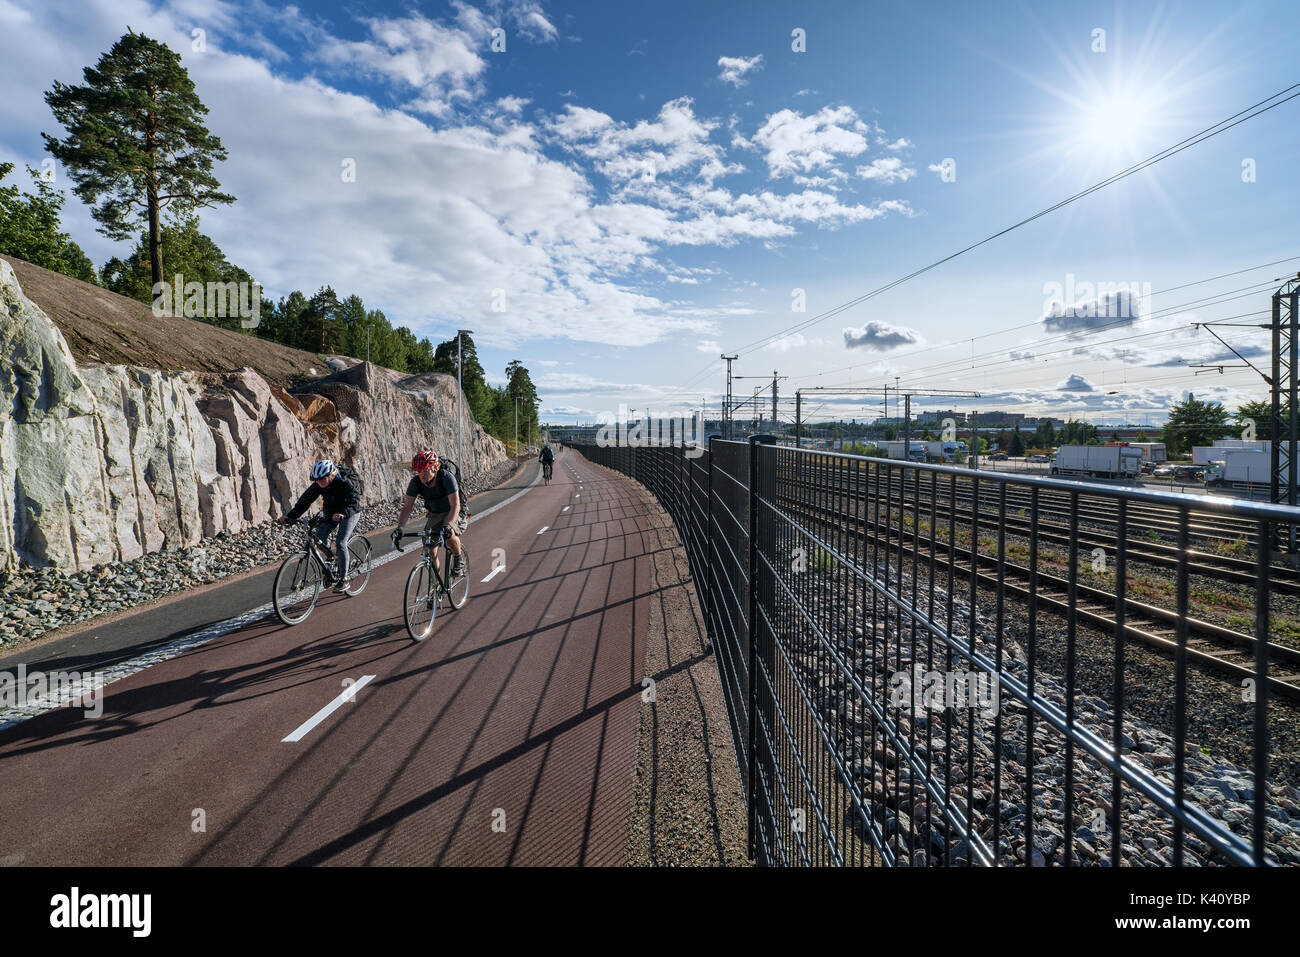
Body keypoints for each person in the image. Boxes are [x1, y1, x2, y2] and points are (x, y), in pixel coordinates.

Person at [278, 459, 363, 592]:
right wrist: (290, 517)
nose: (319, 483)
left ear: (331, 476)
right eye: (316, 480)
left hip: (350, 512)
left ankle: (344, 578)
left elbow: (354, 501)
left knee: (341, 542)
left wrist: (343, 514)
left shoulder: (345, 482)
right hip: (331, 512)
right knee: (318, 538)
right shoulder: (318, 484)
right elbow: (304, 502)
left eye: (322, 480)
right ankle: (331, 557)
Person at [392, 450, 465, 576]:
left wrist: (448, 525)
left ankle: (458, 559)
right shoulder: (416, 482)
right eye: (419, 471)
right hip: (435, 514)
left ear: (435, 468)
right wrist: (400, 528)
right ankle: (436, 587)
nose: (422, 474)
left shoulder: (446, 477)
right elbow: (407, 507)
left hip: (453, 511)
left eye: (425, 470)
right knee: (430, 550)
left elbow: (455, 505)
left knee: (449, 533)